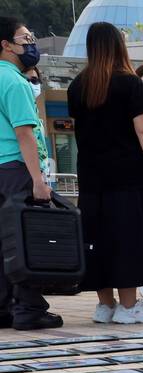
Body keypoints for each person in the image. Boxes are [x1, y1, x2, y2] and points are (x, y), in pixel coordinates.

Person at [67, 21, 143, 326]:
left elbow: (79, 132)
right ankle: (129, 306)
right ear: (118, 46)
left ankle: (105, 305)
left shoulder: (77, 86)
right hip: (127, 175)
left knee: (97, 238)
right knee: (128, 238)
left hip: (91, 177)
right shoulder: (129, 83)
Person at [0, 17, 60, 331]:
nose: (31, 43)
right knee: (25, 238)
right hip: (15, 168)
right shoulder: (14, 81)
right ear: (5, 45)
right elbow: (25, 134)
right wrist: (38, 180)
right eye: (25, 38)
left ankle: (4, 307)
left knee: (2, 241)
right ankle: (29, 308)